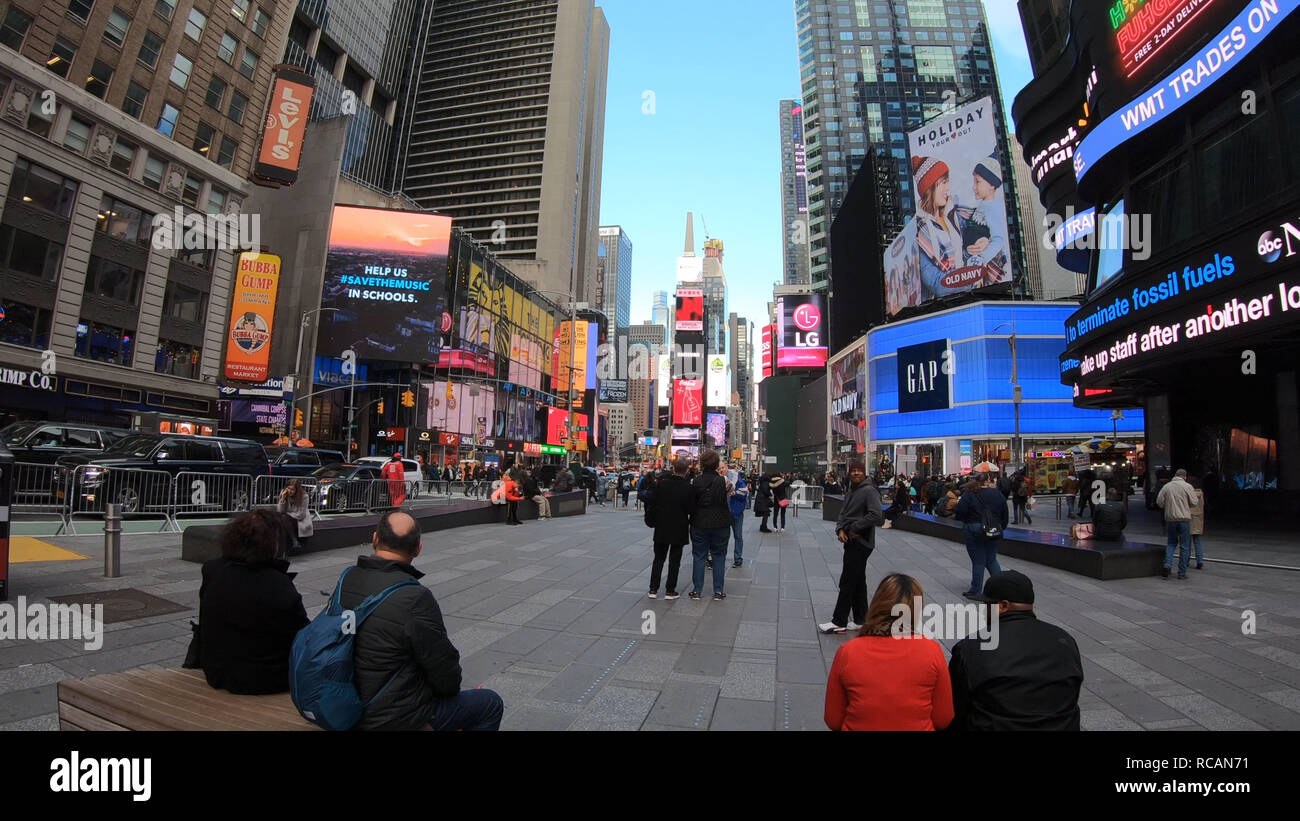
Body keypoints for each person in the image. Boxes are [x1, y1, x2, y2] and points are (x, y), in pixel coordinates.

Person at [339, 511, 503, 730]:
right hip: (392, 717)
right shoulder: (415, 598)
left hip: (342, 701)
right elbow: (445, 672)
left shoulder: (347, 578)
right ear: (418, 549)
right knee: (490, 703)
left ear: (375, 539)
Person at [948, 571, 1083, 731]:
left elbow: (957, 707)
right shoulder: (1065, 640)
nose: (984, 612)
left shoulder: (970, 648)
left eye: (987, 605)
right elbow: (1072, 693)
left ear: (1003, 606)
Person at [196, 510, 308, 694]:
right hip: (264, 679)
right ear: (272, 545)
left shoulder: (213, 570)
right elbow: (302, 633)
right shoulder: (277, 584)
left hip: (217, 672)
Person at [823, 574, 953, 731]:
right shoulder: (931, 651)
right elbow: (943, 719)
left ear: (877, 604)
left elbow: (833, 719)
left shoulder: (848, 652)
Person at [819, 461, 883, 634]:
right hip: (850, 539)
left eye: (858, 471)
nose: (855, 473)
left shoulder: (869, 491)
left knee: (847, 580)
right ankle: (861, 619)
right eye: (853, 471)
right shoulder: (851, 491)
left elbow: (876, 515)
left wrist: (855, 528)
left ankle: (838, 620)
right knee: (858, 580)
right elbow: (843, 513)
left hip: (861, 541)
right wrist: (840, 529)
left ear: (864, 473)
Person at [954, 474, 1008, 599]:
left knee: (978, 560)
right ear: (989, 481)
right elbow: (1004, 512)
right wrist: (1001, 526)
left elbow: (960, 511)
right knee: (991, 559)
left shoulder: (969, 494)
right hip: (993, 528)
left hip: (974, 527)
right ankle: (1001, 589)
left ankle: (976, 590)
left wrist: (965, 519)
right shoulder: (997, 494)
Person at [646, 458, 693, 599]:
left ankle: (653, 589)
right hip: (679, 527)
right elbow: (691, 509)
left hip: (662, 526)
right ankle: (670, 590)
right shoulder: (688, 488)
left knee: (658, 559)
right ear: (686, 471)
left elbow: (653, 502)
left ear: (673, 468)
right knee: (675, 561)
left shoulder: (662, 485)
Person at [689, 450, 733, 601]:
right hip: (721, 522)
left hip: (699, 522)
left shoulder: (695, 481)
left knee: (699, 556)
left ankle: (697, 590)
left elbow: (692, 501)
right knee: (719, 556)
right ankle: (718, 591)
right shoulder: (724, 480)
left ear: (701, 463)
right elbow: (731, 492)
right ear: (716, 464)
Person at [1156, 468, 1199, 579]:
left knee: (1171, 543)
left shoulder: (1167, 486)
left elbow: (1159, 502)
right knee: (1184, 546)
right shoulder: (1188, 487)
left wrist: (1168, 506)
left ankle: (1167, 564)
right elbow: (1194, 502)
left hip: (1170, 519)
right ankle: (1182, 572)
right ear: (1184, 477)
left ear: (1175, 475)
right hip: (1184, 519)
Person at [276, 478, 312, 552]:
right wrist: (282, 499)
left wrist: (287, 514)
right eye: (288, 488)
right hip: (288, 519)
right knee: (282, 519)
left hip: (300, 520)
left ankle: (294, 540)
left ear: (297, 490)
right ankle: (293, 541)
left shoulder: (304, 496)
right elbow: (280, 511)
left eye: (292, 489)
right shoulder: (284, 493)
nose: (290, 491)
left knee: (284, 518)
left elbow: (300, 515)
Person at [725, 463, 748, 568]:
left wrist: (735, 493)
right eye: (719, 468)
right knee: (723, 537)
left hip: (736, 512)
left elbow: (744, 493)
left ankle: (738, 558)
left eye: (723, 468)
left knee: (738, 536)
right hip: (723, 513)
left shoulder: (736, 478)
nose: (721, 470)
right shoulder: (718, 479)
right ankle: (720, 557)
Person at [1189, 476, 1206, 570]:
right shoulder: (1201, 493)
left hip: (1189, 518)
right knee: (1197, 542)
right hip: (1198, 519)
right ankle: (1200, 561)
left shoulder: (1189, 494)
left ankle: (1186, 561)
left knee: (1186, 542)